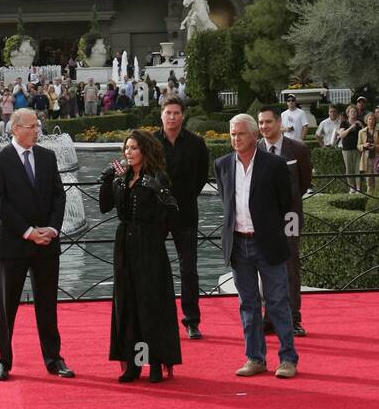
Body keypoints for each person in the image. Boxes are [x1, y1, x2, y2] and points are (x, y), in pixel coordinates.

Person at [0, 109, 74, 381]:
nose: (37, 130)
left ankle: (54, 359)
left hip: (46, 243)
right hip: (14, 245)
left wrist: (51, 229)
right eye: (32, 126)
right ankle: (4, 361)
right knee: (7, 307)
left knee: (47, 305)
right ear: (15, 128)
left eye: (38, 125)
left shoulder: (48, 157)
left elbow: (59, 196)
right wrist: (27, 232)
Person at [215, 114, 298, 379]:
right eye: (232, 134)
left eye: (240, 134)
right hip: (238, 244)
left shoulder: (274, 165)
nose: (235, 138)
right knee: (247, 304)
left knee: (277, 302)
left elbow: (286, 201)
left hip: (268, 243)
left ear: (253, 136)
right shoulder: (223, 165)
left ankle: (287, 359)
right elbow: (225, 199)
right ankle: (255, 358)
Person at [98, 130, 182, 383]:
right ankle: (134, 364)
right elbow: (104, 207)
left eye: (133, 148)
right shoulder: (122, 179)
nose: (128, 152)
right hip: (124, 244)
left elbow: (172, 214)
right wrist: (106, 180)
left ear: (144, 150)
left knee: (150, 303)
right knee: (128, 303)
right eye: (126, 148)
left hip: (149, 246)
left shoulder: (157, 177)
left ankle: (156, 363)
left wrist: (155, 236)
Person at [154, 97, 209, 340]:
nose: (172, 117)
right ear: (161, 115)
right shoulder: (150, 143)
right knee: (153, 267)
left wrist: (184, 198)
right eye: (168, 112)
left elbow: (201, 178)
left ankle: (191, 321)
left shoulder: (197, 143)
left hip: (186, 213)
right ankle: (157, 319)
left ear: (183, 115)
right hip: (155, 214)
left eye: (176, 113)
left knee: (189, 269)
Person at [258, 106, 311, 337]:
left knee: (290, 266)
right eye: (260, 123)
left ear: (279, 123)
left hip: (290, 216)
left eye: (268, 122)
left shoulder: (298, 149)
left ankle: (293, 317)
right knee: (265, 266)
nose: (264, 126)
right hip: (263, 219)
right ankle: (269, 317)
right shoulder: (256, 149)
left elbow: (304, 183)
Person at [336, 103, 363, 192]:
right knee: (349, 169)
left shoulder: (360, 122)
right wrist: (351, 127)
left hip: (357, 148)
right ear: (348, 113)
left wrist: (361, 126)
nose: (353, 113)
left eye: (355, 111)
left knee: (357, 169)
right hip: (347, 149)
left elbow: (366, 132)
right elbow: (342, 135)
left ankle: (358, 188)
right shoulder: (344, 123)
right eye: (351, 111)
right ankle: (352, 187)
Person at [357, 111, 379, 193]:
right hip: (366, 158)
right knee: (369, 181)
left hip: (376, 157)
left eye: (373, 119)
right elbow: (358, 146)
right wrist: (364, 146)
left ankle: (378, 197)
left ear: (375, 121)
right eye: (369, 119)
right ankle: (369, 198)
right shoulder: (361, 132)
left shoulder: (378, 131)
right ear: (366, 121)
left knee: (378, 179)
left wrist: (375, 147)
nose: (371, 121)